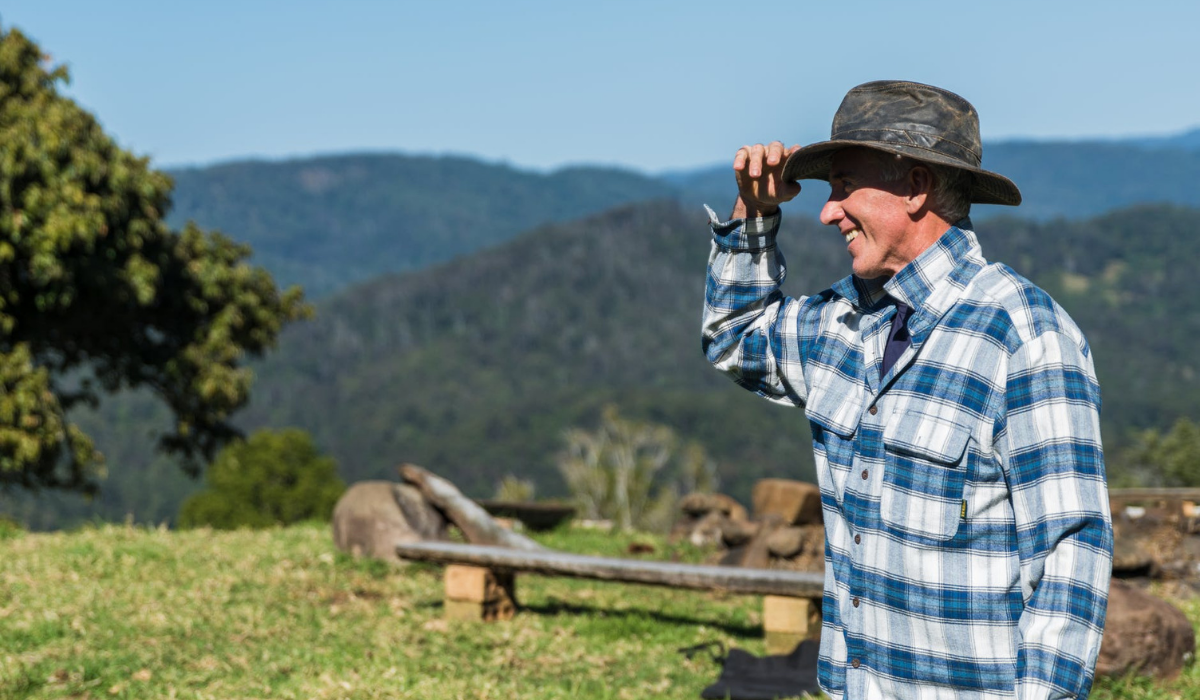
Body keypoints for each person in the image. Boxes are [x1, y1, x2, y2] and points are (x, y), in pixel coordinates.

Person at [702, 80, 1113, 699]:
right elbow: (734, 337)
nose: (827, 210)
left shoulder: (1025, 335)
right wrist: (754, 217)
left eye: (843, 187)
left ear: (916, 187)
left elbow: (1070, 558)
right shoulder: (836, 323)